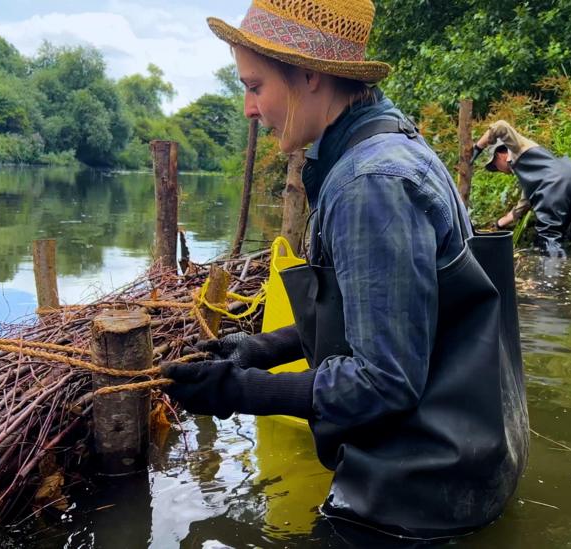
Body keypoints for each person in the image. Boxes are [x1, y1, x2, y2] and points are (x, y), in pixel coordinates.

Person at [161, 0, 528, 541]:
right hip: (473, 462)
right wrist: (262, 349)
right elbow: (394, 317)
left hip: (419, 497)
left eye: (255, 85)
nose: (247, 108)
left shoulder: (369, 183)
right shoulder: (391, 140)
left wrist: (242, 392)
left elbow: (385, 383)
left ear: (309, 75)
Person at [473, 120, 571, 257]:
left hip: (554, 184)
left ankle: (552, 277)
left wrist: (477, 148)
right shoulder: (532, 175)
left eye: (495, 166)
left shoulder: (517, 148)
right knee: (558, 235)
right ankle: (562, 270)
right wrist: (499, 224)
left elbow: (501, 126)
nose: (498, 171)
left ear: (500, 155)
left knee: (548, 237)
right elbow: (525, 203)